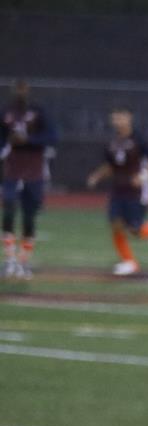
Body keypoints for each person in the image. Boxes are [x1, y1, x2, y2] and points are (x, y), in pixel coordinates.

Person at [83, 108, 148, 277]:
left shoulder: (139, 139)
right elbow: (110, 166)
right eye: (115, 118)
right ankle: (130, 262)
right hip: (118, 189)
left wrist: (143, 177)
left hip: (137, 190)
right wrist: (96, 176)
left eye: (121, 117)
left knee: (134, 229)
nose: (118, 121)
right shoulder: (112, 142)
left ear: (129, 118)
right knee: (116, 225)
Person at [2, 80, 57, 280]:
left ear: (28, 90)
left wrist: (29, 141)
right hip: (12, 170)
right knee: (8, 208)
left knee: (29, 216)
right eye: (17, 89)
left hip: (34, 172)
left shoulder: (38, 111)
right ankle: (9, 260)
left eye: (23, 89)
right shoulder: (6, 112)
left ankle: (23, 261)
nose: (21, 92)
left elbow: (52, 136)